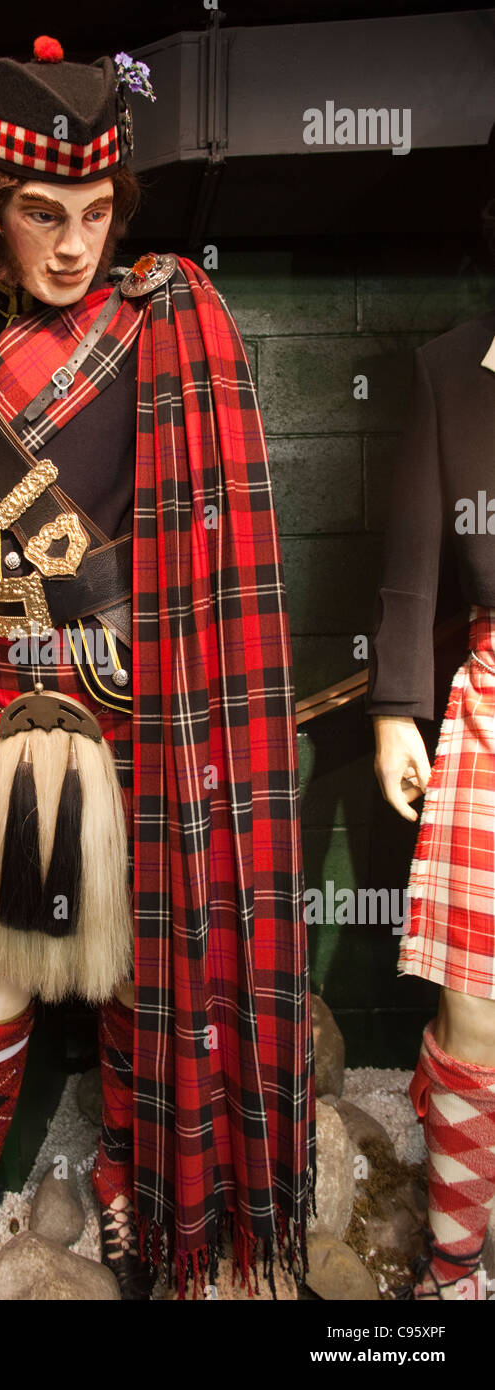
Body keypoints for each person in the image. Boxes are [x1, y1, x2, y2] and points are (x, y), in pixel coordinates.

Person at [0, 35, 313, 1301]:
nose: (73, 245)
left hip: (138, 703)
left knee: (136, 985)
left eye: (96, 212)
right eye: (42, 214)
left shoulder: (160, 321)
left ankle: (134, 1202)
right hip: (1, 701)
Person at [368, 131, 495, 1299]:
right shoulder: (450, 369)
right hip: (489, 711)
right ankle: (455, 1259)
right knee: (476, 1015)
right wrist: (394, 710)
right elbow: (410, 564)